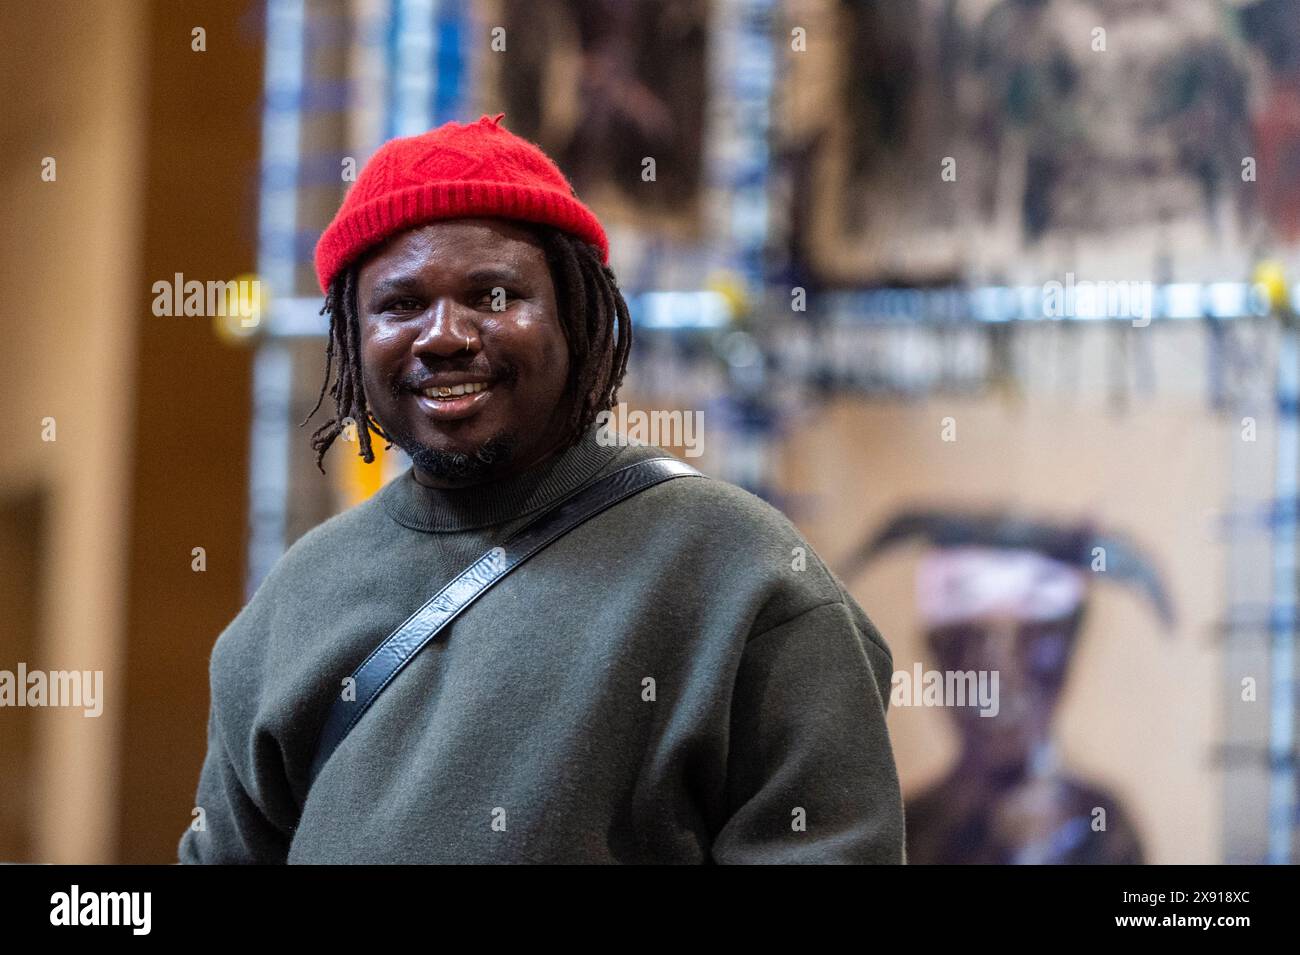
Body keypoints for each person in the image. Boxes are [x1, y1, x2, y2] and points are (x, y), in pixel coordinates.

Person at [178, 113, 904, 864]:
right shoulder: (294, 601)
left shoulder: (743, 574)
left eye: (492, 296)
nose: (443, 335)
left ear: (575, 315)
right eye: (399, 305)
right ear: (353, 343)